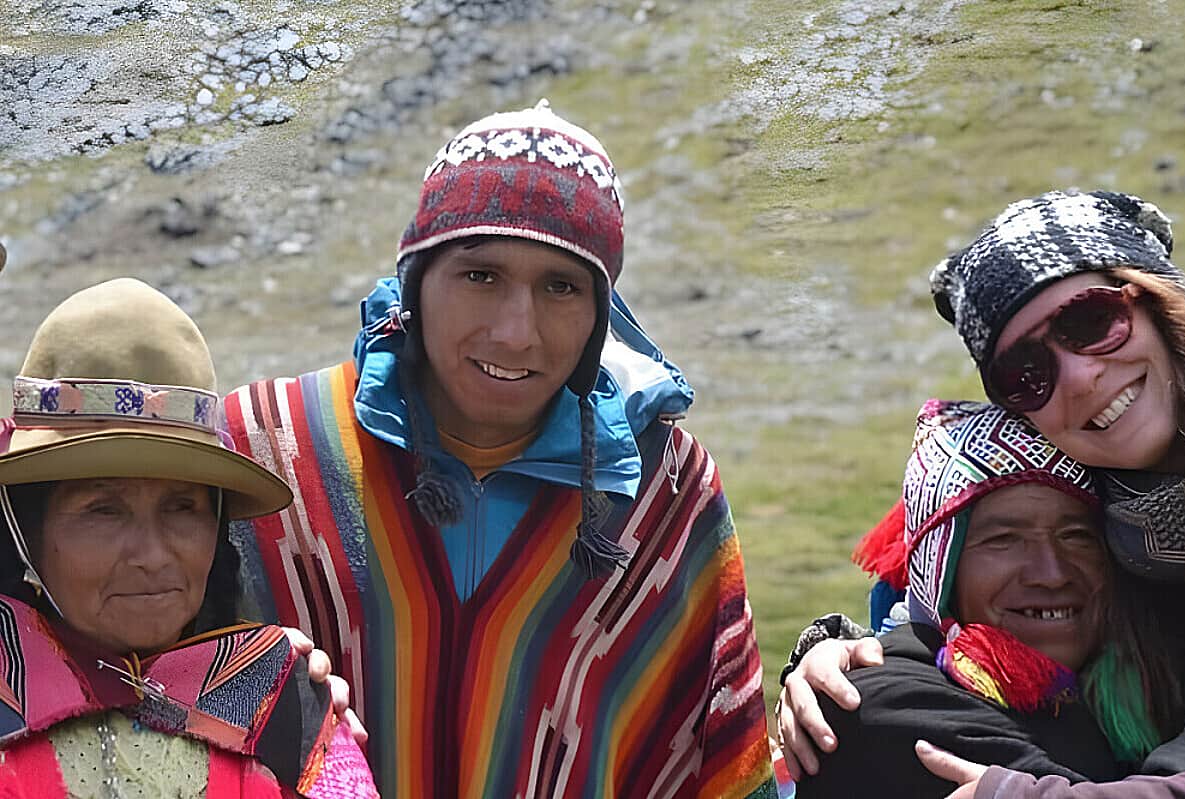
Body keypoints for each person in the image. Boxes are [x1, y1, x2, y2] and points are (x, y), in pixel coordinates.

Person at [224, 100, 777, 798]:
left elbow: (714, 756)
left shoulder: (664, 497)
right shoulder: (266, 450)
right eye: (480, 275)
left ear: (601, 314)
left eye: (561, 286)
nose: (517, 333)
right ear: (416, 282)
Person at [779, 190, 1185, 797]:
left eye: (1091, 322)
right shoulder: (1123, 518)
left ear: (1160, 302)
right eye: (1025, 373)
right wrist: (844, 660)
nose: (1079, 379)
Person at [0, 278, 378, 797]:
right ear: (25, 529)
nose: (152, 555)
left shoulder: (280, 705)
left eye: (182, 508)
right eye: (103, 511)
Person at [793, 399, 1146, 797]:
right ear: (937, 569)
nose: (1052, 573)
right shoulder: (893, 705)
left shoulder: (1143, 683)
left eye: (1077, 536)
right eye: (1004, 540)